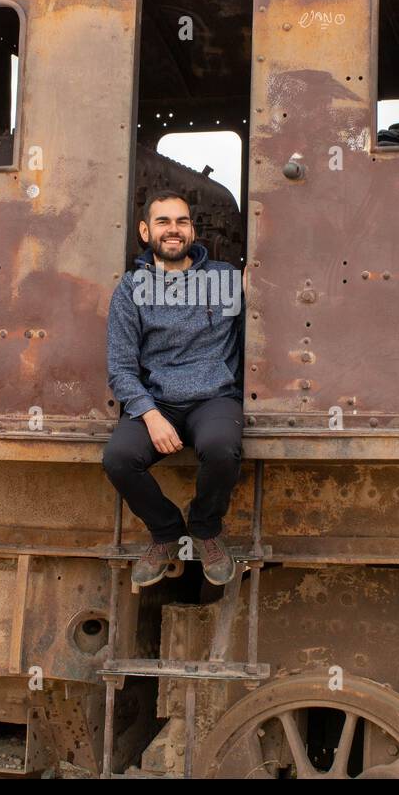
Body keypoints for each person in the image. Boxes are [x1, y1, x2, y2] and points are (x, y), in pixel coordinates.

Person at [102, 190, 244, 587]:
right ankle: (166, 532)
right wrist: (150, 415)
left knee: (222, 447)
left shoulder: (227, 279)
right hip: (157, 400)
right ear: (146, 231)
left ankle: (205, 529)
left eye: (181, 222)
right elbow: (121, 366)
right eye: (163, 222)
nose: (173, 230)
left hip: (213, 397)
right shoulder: (131, 289)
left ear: (192, 231)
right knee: (118, 458)